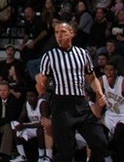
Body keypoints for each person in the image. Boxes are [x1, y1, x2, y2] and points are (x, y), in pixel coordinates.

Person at [36, 21, 109, 162]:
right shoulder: (49, 56)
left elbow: (92, 78)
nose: (59, 35)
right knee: (66, 153)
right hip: (61, 106)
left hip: (81, 103)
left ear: (72, 34)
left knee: (100, 143)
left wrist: (100, 94)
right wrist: (40, 84)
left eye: (63, 32)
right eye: (56, 32)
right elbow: (41, 85)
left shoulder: (83, 54)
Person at [99, 61, 124, 161]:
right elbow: (98, 101)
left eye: (111, 70)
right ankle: (108, 159)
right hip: (109, 114)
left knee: (118, 138)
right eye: (106, 70)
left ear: (115, 71)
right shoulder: (101, 81)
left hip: (123, 115)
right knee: (99, 137)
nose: (108, 72)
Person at [11, 89, 52, 162]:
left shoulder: (42, 104)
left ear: (37, 96)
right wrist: (17, 123)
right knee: (14, 128)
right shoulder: (26, 104)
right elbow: (21, 117)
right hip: (32, 127)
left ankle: (41, 156)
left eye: (32, 96)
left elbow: (42, 123)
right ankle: (22, 156)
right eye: (27, 96)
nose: (29, 98)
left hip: (43, 128)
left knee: (40, 131)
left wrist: (24, 126)